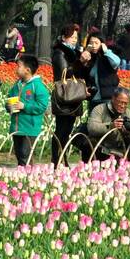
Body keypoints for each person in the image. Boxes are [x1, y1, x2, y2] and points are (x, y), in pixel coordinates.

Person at [50, 24, 87, 167]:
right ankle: (56, 159)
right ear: (64, 37)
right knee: (61, 129)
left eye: (76, 37)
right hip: (64, 96)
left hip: (73, 96)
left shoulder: (73, 52)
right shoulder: (60, 53)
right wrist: (80, 62)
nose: (74, 40)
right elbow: (65, 73)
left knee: (67, 130)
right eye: (72, 37)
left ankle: (62, 157)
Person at [7, 52, 50, 166]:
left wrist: (24, 106)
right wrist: (8, 106)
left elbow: (41, 106)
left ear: (27, 70)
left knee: (26, 156)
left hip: (29, 128)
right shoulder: (17, 85)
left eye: (19, 66)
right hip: (16, 126)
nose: (16, 69)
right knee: (19, 156)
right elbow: (9, 98)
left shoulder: (38, 86)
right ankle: (23, 178)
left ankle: (28, 179)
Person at [86, 86, 130, 163]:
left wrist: (129, 132)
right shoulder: (100, 109)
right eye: (120, 102)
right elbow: (92, 128)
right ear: (113, 99)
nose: (122, 106)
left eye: (125, 103)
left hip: (121, 150)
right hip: (101, 148)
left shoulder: (129, 114)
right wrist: (111, 126)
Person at [81, 31, 123, 111]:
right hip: (93, 98)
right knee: (93, 122)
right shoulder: (89, 58)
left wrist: (106, 51)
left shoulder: (107, 57)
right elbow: (82, 75)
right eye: (91, 43)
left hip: (107, 97)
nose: (93, 46)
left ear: (102, 44)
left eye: (96, 43)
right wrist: (84, 58)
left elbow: (116, 62)